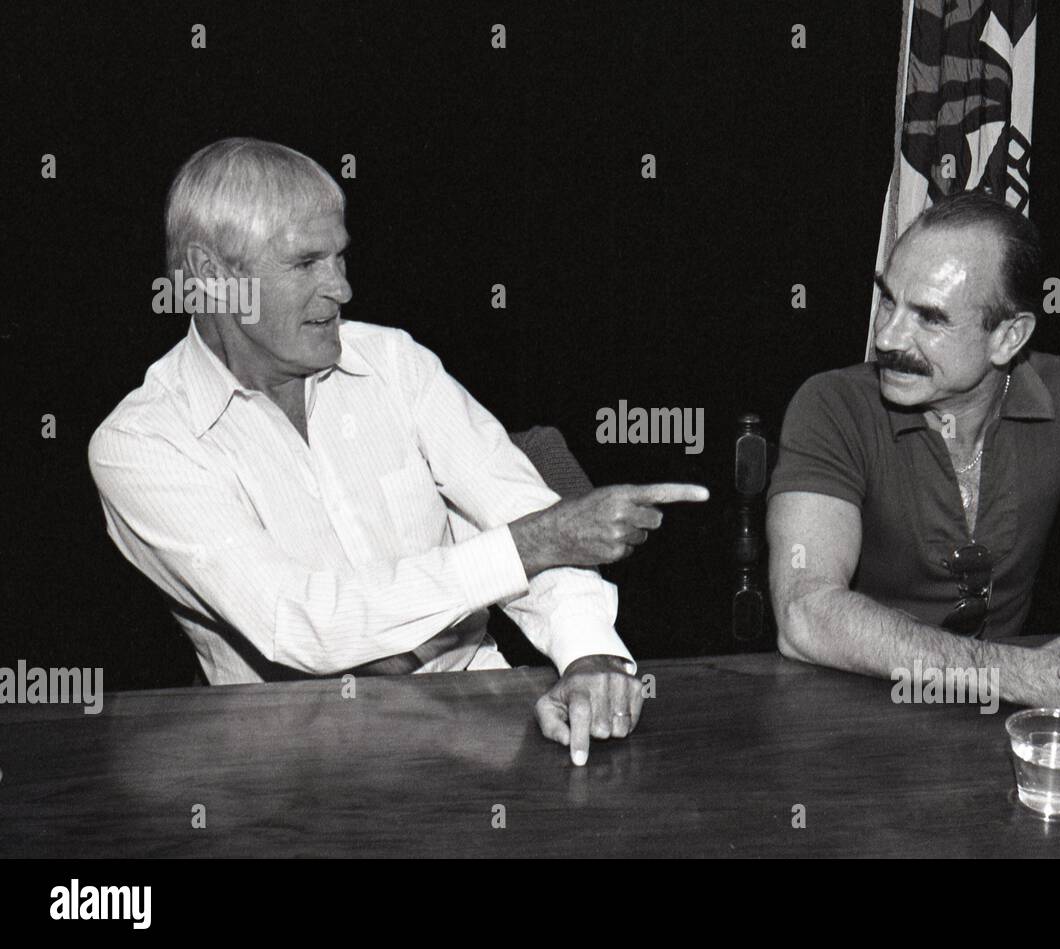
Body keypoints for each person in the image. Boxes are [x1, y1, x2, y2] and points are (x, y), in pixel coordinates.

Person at [88, 137, 707, 765]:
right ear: (210, 277)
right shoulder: (141, 444)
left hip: (479, 720)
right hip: (282, 763)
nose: (343, 289)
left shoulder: (394, 364)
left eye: (340, 256)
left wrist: (588, 655)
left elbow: (521, 508)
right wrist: (529, 544)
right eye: (305, 264)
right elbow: (298, 623)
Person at [767, 190, 1060, 729]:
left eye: (929, 318)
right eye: (888, 300)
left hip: (1000, 728)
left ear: (1009, 337)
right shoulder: (831, 404)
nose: (887, 335)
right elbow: (805, 612)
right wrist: (1020, 675)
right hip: (854, 717)